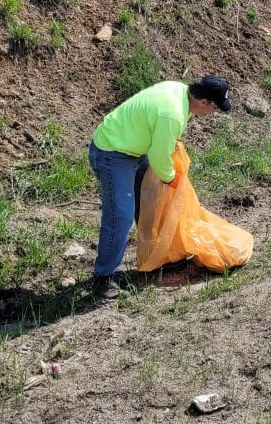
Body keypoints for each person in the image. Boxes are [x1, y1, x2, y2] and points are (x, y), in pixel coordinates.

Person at [87, 75, 231, 300]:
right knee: (120, 215)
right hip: (112, 152)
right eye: (215, 108)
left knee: (153, 201)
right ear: (204, 102)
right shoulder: (172, 113)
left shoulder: (178, 90)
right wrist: (172, 178)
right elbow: (158, 157)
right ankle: (103, 279)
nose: (213, 113)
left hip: (132, 148)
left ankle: (158, 256)